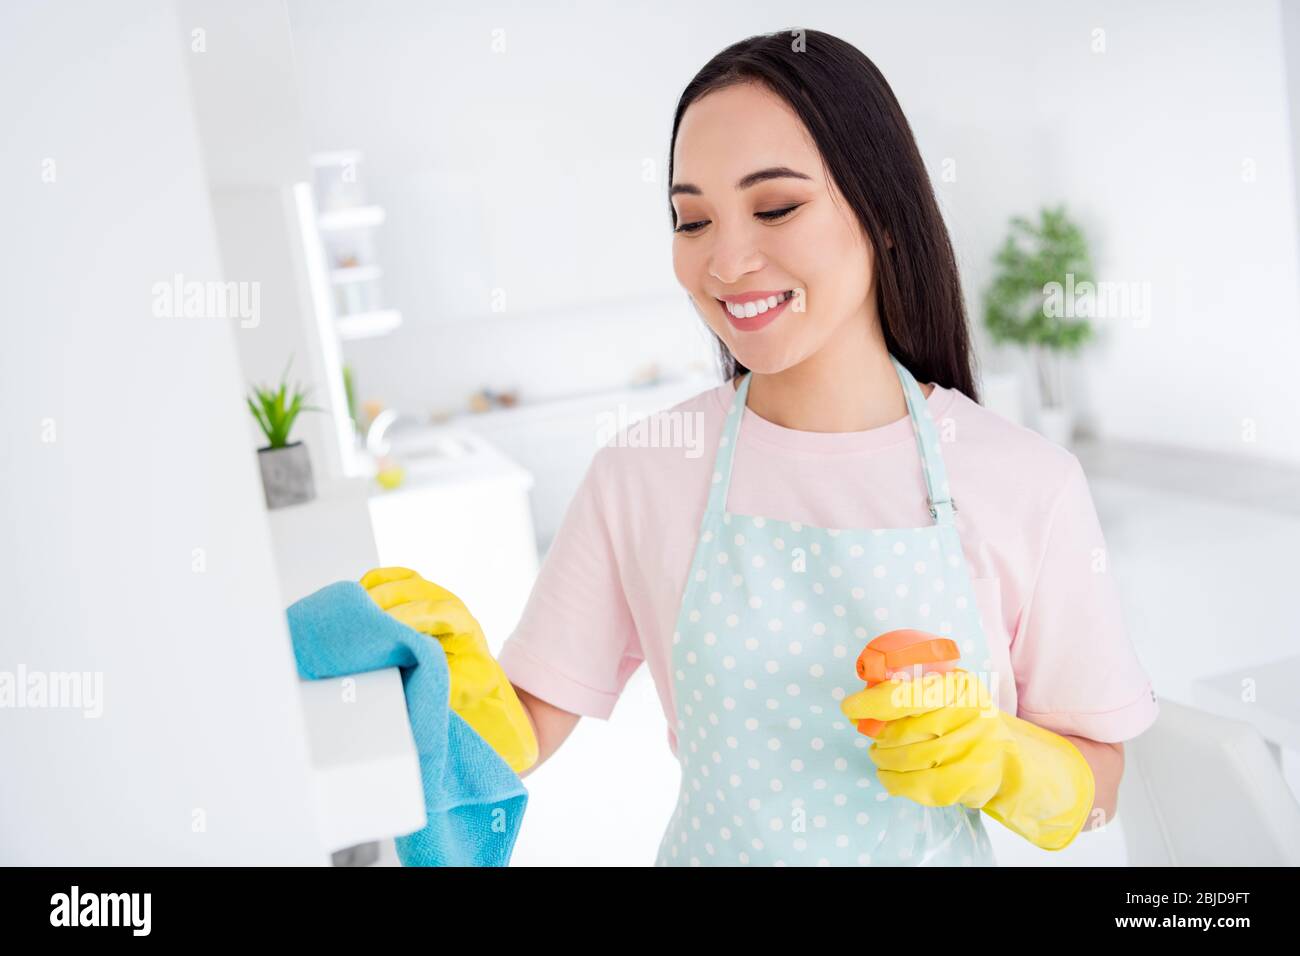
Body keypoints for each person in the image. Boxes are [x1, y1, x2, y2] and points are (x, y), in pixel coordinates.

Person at [365, 28, 1158, 866]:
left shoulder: (1026, 482)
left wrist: (1002, 760)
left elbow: (1099, 790)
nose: (727, 259)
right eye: (692, 219)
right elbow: (524, 724)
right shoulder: (642, 474)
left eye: (775, 207)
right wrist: (451, 684)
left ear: (882, 213)